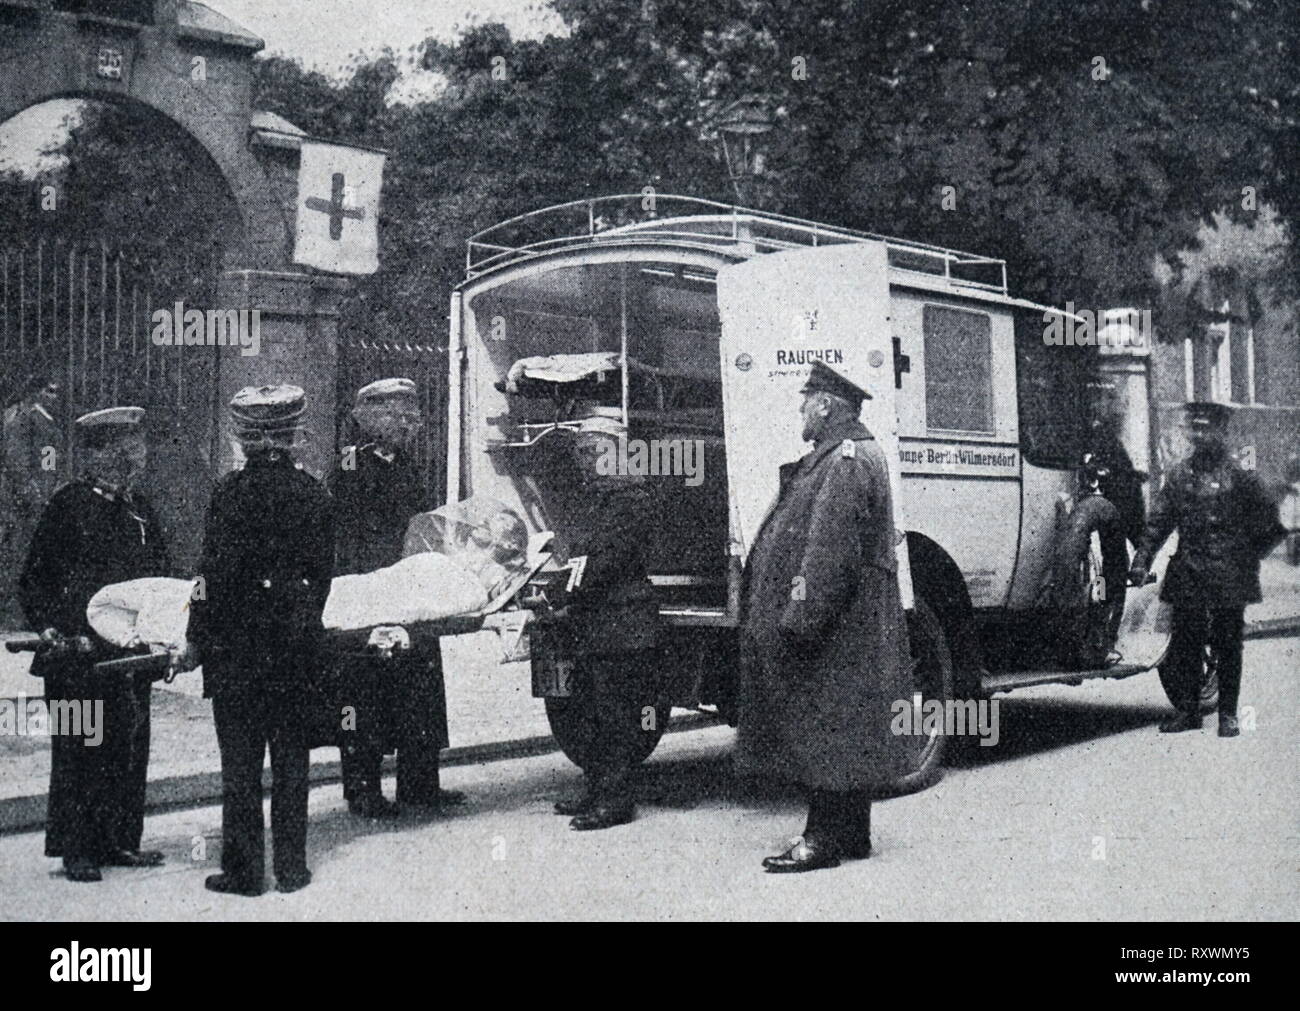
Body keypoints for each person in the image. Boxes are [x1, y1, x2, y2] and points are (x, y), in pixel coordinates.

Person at [737, 361, 916, 873]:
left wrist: (801, 619)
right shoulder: (847, 454)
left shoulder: (843, 458)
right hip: (853, 620)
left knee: (824, 726)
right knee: (846, 725)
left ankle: (820, 838)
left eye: (806, 399)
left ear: (825, 404)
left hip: (838, 623)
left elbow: (829, 550)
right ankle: (851, 834)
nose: (800, 409)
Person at [189, 385, 334, 896]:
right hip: (295, 650)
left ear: (244, 438)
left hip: (238, 654)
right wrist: (303, 618)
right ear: (294, 434)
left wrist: (196, 639)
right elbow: (323, 575)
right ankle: (292, 869)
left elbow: (209, 577)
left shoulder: (229, 494)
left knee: (241, 767)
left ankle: (245, 872)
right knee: (293, 762)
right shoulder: (314, 493)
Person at [18, 406, 171, 884]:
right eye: (126, 453)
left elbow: (164, 575)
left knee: (127, 747)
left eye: (136, 451)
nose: (136, 461)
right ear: (99, 456)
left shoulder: (141, 509)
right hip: (76, 655)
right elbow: (34, 580)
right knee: (80, 750)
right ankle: (77, 849)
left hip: (127, 653)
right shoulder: (68, 505)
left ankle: (120, 841)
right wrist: (47, 626)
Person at [331, 377, 464, 818]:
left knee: (420, 686)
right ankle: (363, 789)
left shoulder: (406, 463)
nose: (410, 423)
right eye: (398, 415)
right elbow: (346, 535)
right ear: (368, 417)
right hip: (373, 594)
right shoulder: (351, 463)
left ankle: (421, 784)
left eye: (412, 415)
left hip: (411, 590)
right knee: (365, 691)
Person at [1128, 401, 1286, 737]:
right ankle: (1188, 710)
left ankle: (1228, 714)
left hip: (1230, 572)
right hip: (1189, 570)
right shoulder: (1179, 476)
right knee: (1186, 643)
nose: (1200, 435)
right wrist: (1142, 561)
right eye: (1195, 429)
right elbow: (1158, 522)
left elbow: (1273, 524)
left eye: (1207, 429)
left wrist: (1249, 555)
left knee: (1229, 643)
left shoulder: (1241, 479)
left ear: (1222, 432)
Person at [547, 409, 663, 831]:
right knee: (593, 713)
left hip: (622, 621)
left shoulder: (629, 496)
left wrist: (567, 594)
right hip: (598, 622)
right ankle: (597, 790)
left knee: (617, 717)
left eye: (593, 449)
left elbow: (607, 562)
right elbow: (582, 560)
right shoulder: (599, 496)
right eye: (580, 451)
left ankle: (615, 801)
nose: (584, 458)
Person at [2, 377, 65, 611]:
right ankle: (13, 611)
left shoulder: (44, 420)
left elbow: (48, 463)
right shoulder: (23, 419)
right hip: (26, 504)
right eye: (50, 392)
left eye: (56, 392)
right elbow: (17, 463)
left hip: (41, 497)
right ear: (36, 393)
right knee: (20, 554)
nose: (55, 397)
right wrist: (35, 496)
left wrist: (51, 489)